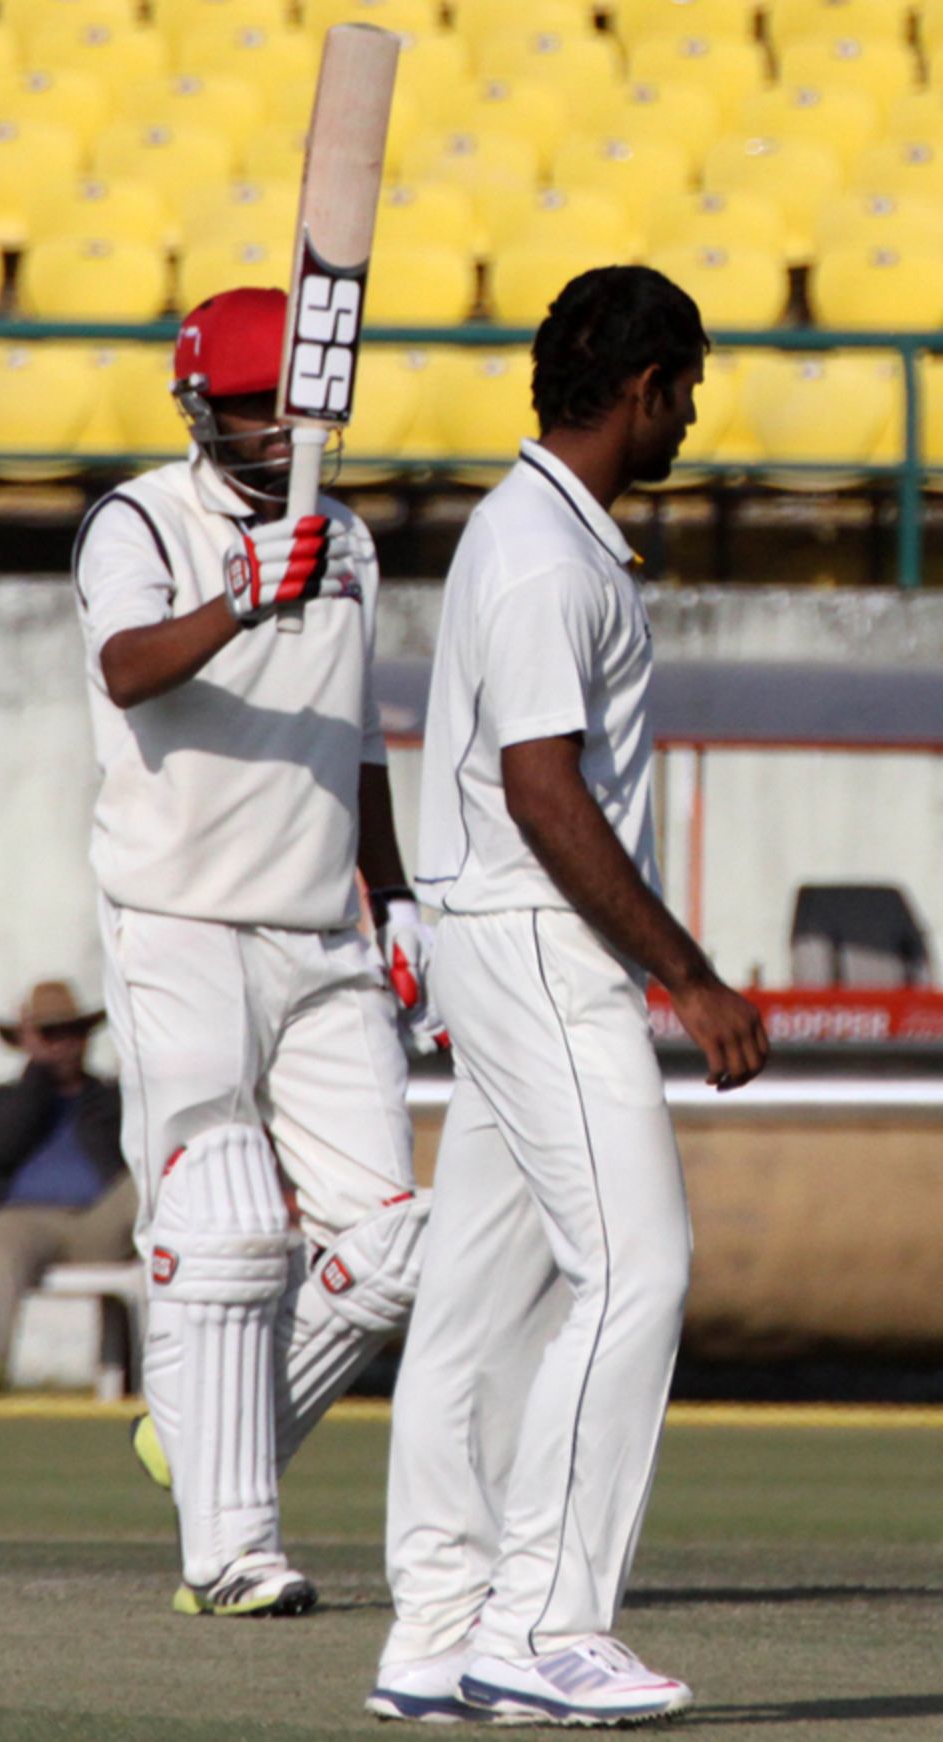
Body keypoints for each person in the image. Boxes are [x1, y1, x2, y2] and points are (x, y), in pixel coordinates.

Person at [368, 267, 769, 1725]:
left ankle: (435, 1620)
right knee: (636, 1269)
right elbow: (543, 790)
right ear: (647, 384)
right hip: (542, 943)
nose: (695, 415)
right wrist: (692, 975)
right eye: (690, 387)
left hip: (500, 939)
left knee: (478, 1296)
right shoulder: (543, 552)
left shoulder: (540, 531)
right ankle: (543, 1620)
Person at [71, 286, 443, 1619]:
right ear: (199, 408)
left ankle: (205, 1433)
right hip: (181, 920)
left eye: (296, 404)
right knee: (228, 1224)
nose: (280, 429)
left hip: (321, 924)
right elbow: (124, 665)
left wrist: (393, 898)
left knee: (400, 1246)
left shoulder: (346, 538)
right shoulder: (138, 522)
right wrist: (238, 595)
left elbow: (351, 732)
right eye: (251, 407)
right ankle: (232, 1554)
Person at [0, 979, 137, 1393]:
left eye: (72, 1032)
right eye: (49, 1033)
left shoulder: (112, 1099)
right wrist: (38, 1076)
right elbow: (1, 1149)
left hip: (100, 1223)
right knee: (4, 1240)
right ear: (27, 1041)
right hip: (29, 1221)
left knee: (158, 1186)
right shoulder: (0, 1101)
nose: (62, 1044)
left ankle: (160, 1370)